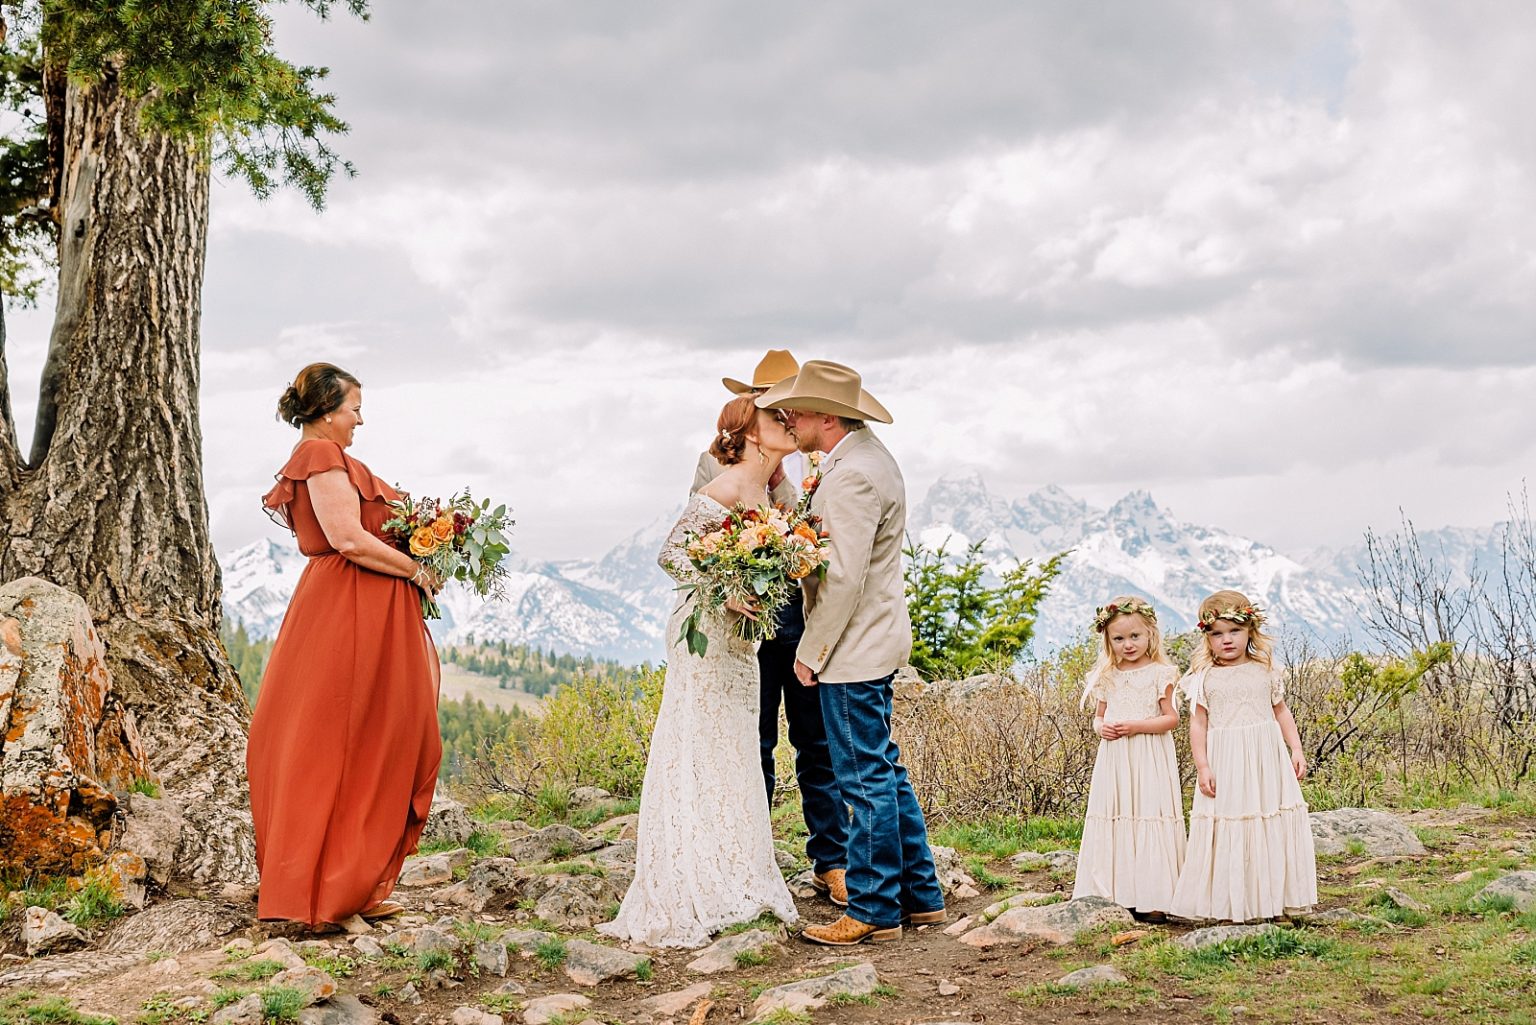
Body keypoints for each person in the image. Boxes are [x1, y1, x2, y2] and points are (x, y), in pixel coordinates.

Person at [599, 396, 801, 948]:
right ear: (751, 435)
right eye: (774, 419)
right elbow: (673, 553)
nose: (787, 424)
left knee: (735, 743)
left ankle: (737, 871)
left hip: (740, 641)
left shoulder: (766, 491)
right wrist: (728, 591)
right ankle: (690, 879)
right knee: (701, 738)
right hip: (706, 633)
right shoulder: (730, 485)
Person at [248, 363, 444, 929]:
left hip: (367, 608)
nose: (361, 418)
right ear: (328, 410)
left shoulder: (334, 457)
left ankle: (354, 879)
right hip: (348, 610)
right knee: (341, 739)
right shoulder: (321, 456)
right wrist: (416, 569)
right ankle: (325, 891)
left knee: (380, 735)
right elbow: (347, 538)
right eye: (355, 407)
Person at [757, 360, 944, 946]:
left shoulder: (852, 476)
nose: (791, 418)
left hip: (853, 647)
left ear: (826, 416)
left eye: (800, 409)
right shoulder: (862, 460)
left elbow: (843, 578)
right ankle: (922, 897)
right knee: (884, 770)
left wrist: (810, 651)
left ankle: (872, 909)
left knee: (862, 779)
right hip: (873, 638)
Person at [693, 348, 849, 908]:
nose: (785, 412)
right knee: (752, 743)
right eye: (774, 401)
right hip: (744, 630)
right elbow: (702, 543)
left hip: (799, 622)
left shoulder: (810, 460)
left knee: (816, 743)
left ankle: (831, 861)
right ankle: (750, 859)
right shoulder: (715, 464)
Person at [1169, 590, 1317, 923]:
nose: (1226, 640)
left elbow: (1281, 712)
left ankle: (1274, 901)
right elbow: (1198, 724)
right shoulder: (1202, 678)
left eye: (1234, 631)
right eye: (1217, 634)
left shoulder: (1264, 669)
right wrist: (1203, 765)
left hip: (1266, 758)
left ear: (1250, 630)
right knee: (1231, 824)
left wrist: (1295, 748)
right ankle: (1230, 904)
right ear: (1207, 637)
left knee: (1267, 820)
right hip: (1226, 760)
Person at [1071, 597, 1185, 919]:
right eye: (1119, 639)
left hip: (1149, 753)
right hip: (1117, 756)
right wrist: (1101, 729)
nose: (1128, 644)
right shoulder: (1107, 675)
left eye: (1135, 636)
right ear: (1108, 641)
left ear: (1150, 633)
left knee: (1148, 813)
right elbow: (1099, 717)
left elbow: (1171, 719)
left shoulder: (1162, 672)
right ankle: (1117, 893)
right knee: (1118, 814)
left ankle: (1154, 898)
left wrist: (1137, 726)